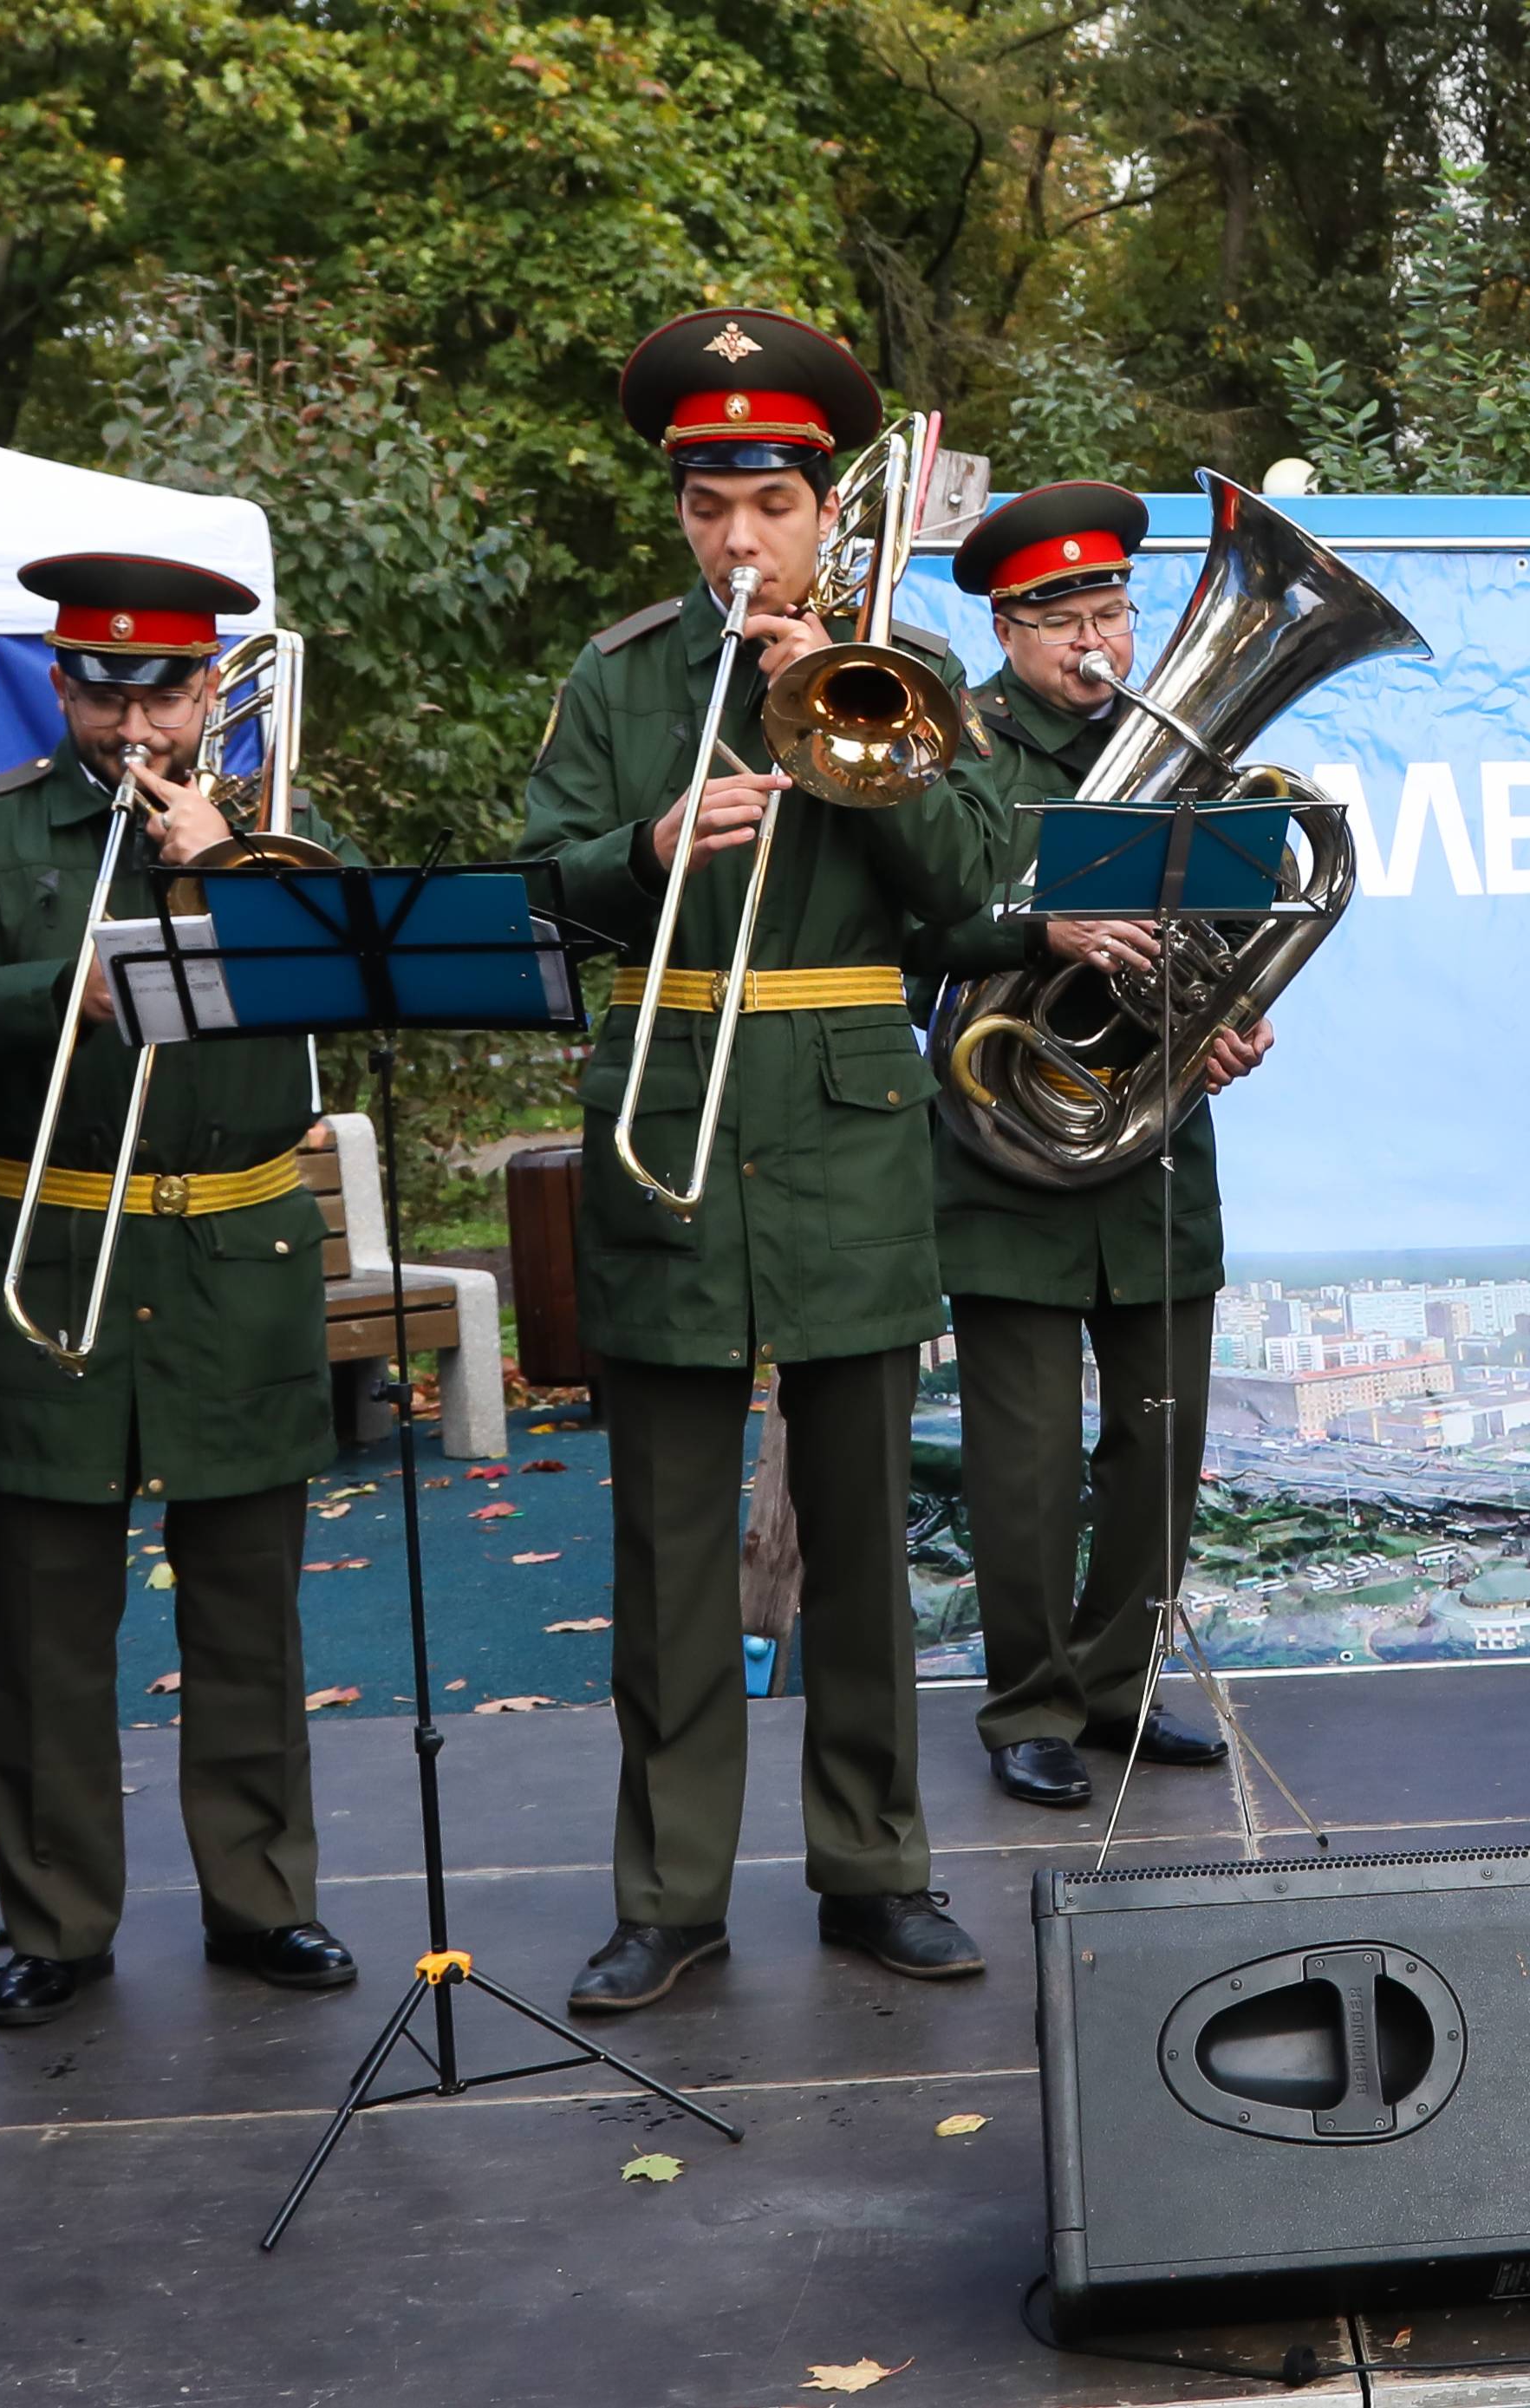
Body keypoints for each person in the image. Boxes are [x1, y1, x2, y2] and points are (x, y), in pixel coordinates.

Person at [518, 308, 1008, 2012]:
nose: (741, 540)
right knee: (664, 1543)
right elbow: (538, 889)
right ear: (682, 512)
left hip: (849, 1125)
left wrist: (855, 737)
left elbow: (977, 899)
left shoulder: (905, 671)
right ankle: (670, 1890)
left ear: (825, 517)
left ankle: (876, 1864)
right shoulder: (620, 673)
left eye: (774, 506)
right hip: (667, 1113)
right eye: (713, 507)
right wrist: (645, 843)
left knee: (867, 1528)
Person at [0, 553, 355, 2027]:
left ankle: (263, 1901)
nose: (130, 717)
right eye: (100, 687)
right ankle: (59, 1921)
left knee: (250, 1619)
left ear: (212, 694)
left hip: (234, 1264)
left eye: (163, 690)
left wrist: (218, 863)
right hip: (49, 1248)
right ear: (62, 687)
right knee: (47, 1626)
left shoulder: (280, 845)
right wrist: (46, 989)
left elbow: (341, 999)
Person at [907, 480, 1261, 1812]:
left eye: (1111, 611)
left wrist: (1231, 1018)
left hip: (1157, 1141)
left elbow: (1234, 920)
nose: (1096, 642)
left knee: (1159, 1443)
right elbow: (910, 925)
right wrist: (1034, 933)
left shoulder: (1183, 751)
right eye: (1064, 621)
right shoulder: (956, 752)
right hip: (1008, 1141)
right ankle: (1027, 1705)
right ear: (1008, 628)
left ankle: (1117, 1690)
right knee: (1028, 1454)